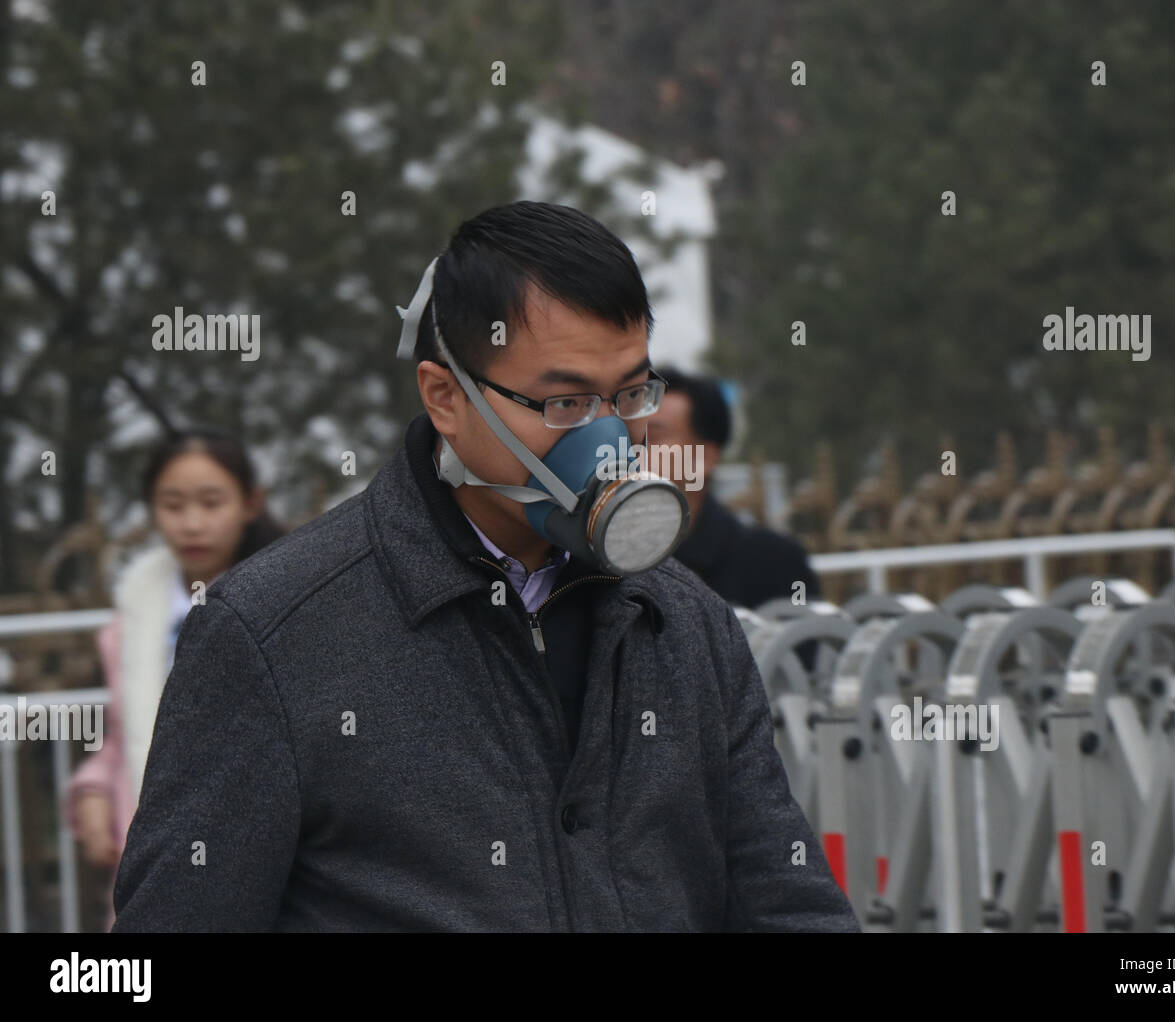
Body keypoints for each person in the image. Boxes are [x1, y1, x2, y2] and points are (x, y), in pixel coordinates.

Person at [111, 200, 858, 932]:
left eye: (631, 394)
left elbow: (783, 896)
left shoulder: (686, 622)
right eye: (564, 403)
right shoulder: (271, 637)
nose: (609, 437)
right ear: (444, 396)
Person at [63, 427, 285, 930]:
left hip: (263, 863)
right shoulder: (129, 626)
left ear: (251, 503)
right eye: (173, 505)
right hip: (154, 862)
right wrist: (94, 790)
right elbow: (127, 738)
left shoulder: (289, 610)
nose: (192, 524)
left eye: (211, 502)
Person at [648, 365, 822, 610]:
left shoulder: (772, 563)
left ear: (705, 457)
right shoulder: (611, 566)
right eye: (630, 434)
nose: (634, 450)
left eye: (653, 438)